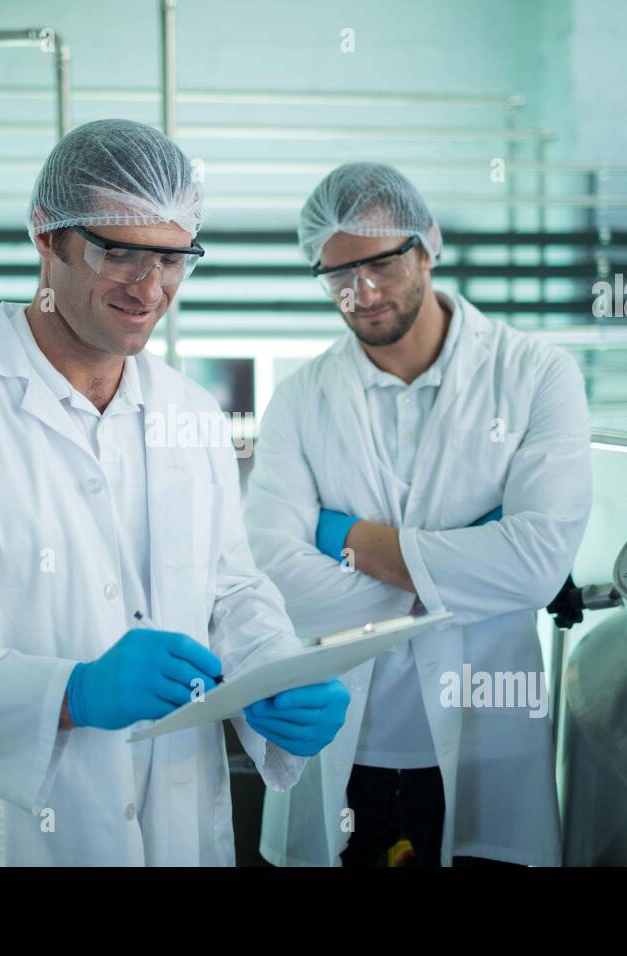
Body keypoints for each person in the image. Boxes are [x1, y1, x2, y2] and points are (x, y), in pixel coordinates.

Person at [0, 119, 349, 866]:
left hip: (179, 834)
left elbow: (228, 587)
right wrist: (68, 693)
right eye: (118, 252)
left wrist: (272, 669)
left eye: (171, 257)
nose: (150, 286)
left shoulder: (190, 415)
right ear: (46, 234)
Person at [247, 162, 591, 867]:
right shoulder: (300, 399)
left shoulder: (536, 375)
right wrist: (465, 560)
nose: (361, 291)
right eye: (337, 274)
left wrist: (341, 536)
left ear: (427, 244)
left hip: (486, 728)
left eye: (382, 261)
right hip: (345, 734)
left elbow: (534, 566)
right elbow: (272, 572)